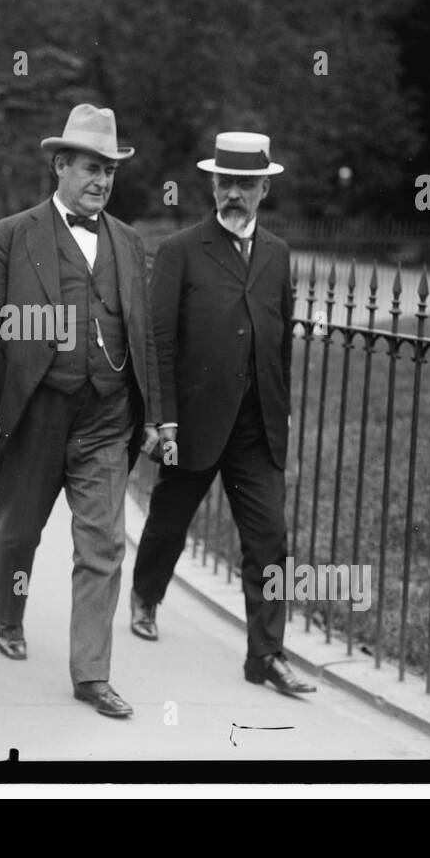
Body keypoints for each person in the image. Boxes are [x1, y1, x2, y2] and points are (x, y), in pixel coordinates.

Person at [0, 104, 161, 719]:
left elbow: (144, 335)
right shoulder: (13, 235)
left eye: (110, 171)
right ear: (60, 166)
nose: (101, 180)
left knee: (102, 542)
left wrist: (156, 416)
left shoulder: (127, 241)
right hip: (36, 409)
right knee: (18, 531)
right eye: (90, 168)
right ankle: (9, 614)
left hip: (107, 416)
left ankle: (92, 675)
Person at [128, 131, 315, 696]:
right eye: (225, 183)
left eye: (245, 185)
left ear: (263, 190)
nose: (234, 194)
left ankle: (266, 656)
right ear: (212, 185)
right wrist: (163, 420)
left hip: (256, 429)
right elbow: (158, 339)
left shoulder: (278, 255)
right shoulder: (183, 249)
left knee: (270, 541)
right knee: (168, 522)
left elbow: (280, 342)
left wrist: (279, 414)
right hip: (194, 424)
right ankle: (146, 595)